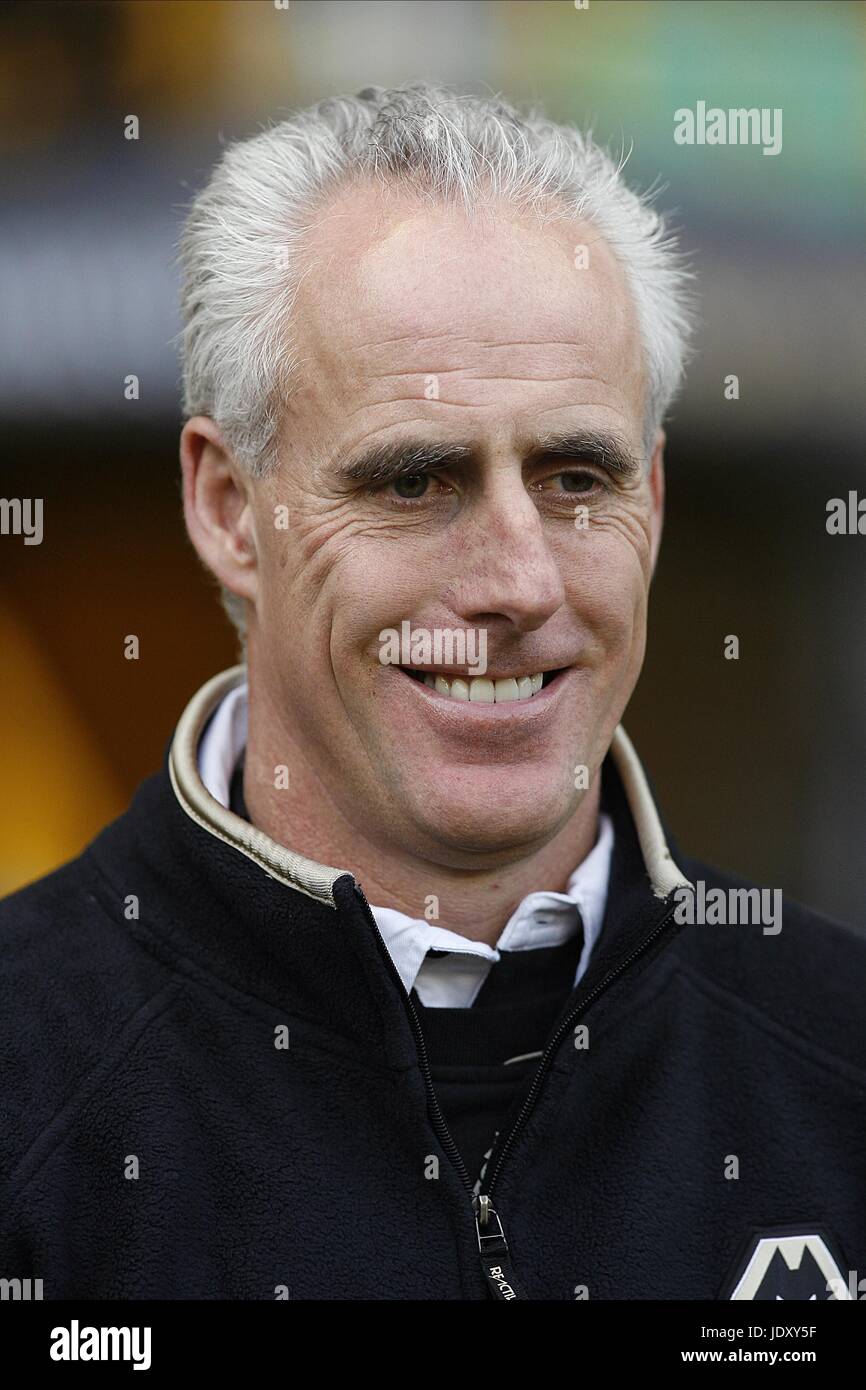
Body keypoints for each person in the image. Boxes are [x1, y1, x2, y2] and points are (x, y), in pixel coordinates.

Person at [1, 84, 864, 1301]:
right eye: (415, 480)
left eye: (575, 476)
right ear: (228, 509)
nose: (518, 580)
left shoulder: (836, 1061)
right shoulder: (29, 1084)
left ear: (651, 504)